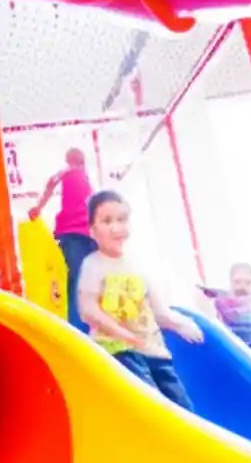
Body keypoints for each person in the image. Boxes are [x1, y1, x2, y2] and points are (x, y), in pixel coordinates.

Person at [76, 190, 202, 410]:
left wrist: (181, 323)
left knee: (184, 409)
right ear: (93, 231)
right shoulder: (94, 265)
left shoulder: (140, 264)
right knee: (152, 405)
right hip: (117, 350)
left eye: (122, 219)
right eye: (106, 221)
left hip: (153, 349)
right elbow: (88, 310)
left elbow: (159, 311)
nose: (116, 227)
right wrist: (126, 335)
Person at [28, 147, 95, 333]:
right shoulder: (70, 172)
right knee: (78, 278)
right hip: (75, 232)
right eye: (77, 161)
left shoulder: (84, 179)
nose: (80, 164)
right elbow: (51, 185)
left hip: (85, 233)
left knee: (85, 277)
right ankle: (78, 325)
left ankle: (86, 322)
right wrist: (38, 207)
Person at [199, 263, 251, 366]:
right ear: (231, 282)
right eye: (237, 282)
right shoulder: (222, 298)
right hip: (236, 345)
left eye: (248, 283)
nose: (242, 287)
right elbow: (208, 293)